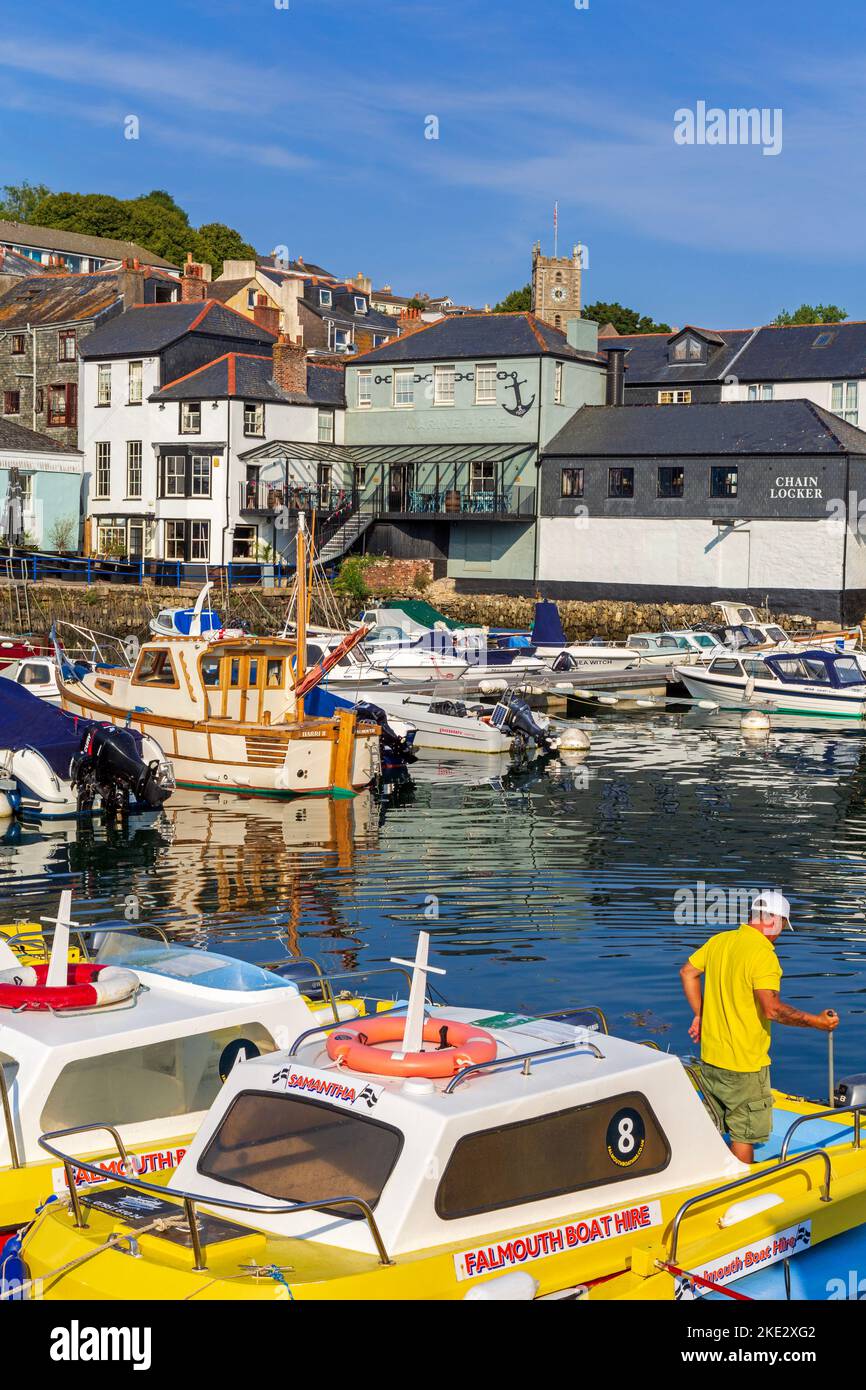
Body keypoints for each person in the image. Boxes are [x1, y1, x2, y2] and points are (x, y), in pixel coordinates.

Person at [679, 890, 838, 1163]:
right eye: (782, 926)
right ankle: (741, 1192)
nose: (780, 935)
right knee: (744, 1136)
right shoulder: (764, 955)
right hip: (745, 1065)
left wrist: (701, 1014)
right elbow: (772, 1009)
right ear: (773, 920)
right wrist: (818, 1022)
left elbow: (688, 972)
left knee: (713, 1128)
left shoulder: (720, 941)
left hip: (710, 1059)